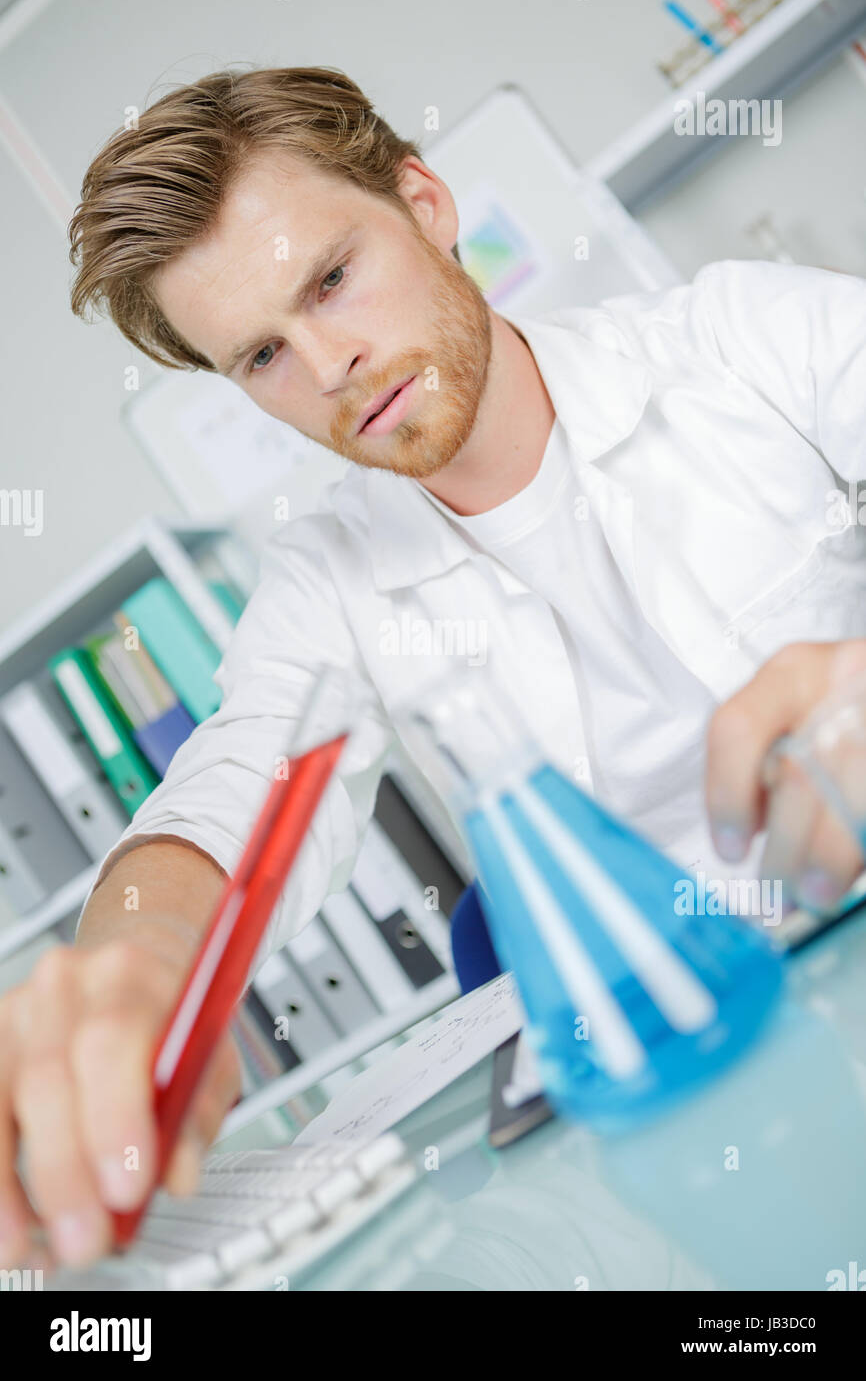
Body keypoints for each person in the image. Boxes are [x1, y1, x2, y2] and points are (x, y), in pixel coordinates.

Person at [2, 65, 865, 1271]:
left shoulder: (731, 339)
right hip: (681, 1104)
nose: (329, 363)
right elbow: (229, 787)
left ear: (423, 200)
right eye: (261, 354)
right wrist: (131, 971)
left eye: (332, 277)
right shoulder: (329, 585)